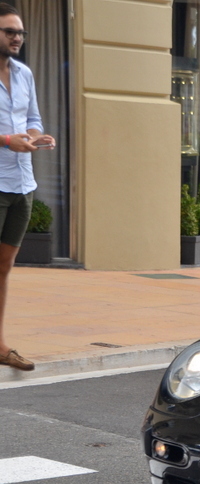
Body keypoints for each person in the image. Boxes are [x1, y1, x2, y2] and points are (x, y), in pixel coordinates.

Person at [0, 3, 55, 372]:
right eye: (10, 32)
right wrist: (7, 141)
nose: (17, 37)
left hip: (22, 183)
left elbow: (32, 118)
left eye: (20, 32)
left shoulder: (24, 74)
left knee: (4, 265)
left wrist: (35, 137)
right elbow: (9, 135)